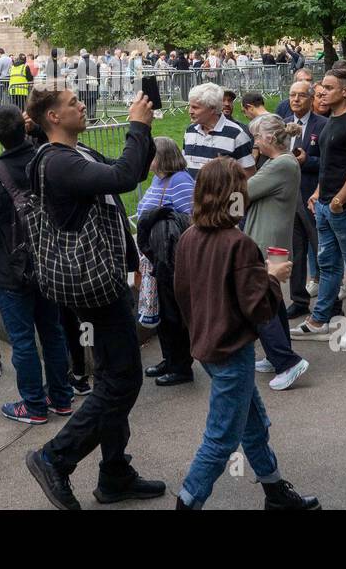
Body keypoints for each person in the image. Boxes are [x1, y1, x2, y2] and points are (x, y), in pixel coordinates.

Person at [22, 87, 165, 510]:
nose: (82, 105)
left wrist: (146, 130)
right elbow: (122, 178)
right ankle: (55, 457)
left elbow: (132, 171)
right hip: (95, 283)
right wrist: (136, 126)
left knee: (111, 377)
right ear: (52, 116)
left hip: (102, 278)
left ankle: (115, 473)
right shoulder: (58, 162)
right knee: (122, 379)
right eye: (72, 103)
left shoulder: (77, 153)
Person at [172, 157, 318, 510]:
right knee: (221, 439)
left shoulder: (189, 236)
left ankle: (274, 490)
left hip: (206, 345)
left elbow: (182, 291)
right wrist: (271, 276)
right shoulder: (239, 243)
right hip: (231, 351)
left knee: (253, 424)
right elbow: (258, 308)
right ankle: (188, 501)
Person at [0, 104, 72, 424]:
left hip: (11, 267)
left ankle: (34, 405)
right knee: (52, 332)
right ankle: (61, 397)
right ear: (26, 129)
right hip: (51, 261)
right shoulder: (48, 159)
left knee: (24, 339)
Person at [291, 69, 346, 349]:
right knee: (328, 265)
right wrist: (317, 193)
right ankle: (319, 321)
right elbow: (330, 165)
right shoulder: (329, 122)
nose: (320, 92)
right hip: (325, 205)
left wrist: (338, 201)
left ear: (345, 91)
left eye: (327, 87)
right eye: (321, 87)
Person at [244, 114, 310, 390]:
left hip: (266, 243)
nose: (255, 142)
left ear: (269, 138)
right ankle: (277, 355)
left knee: (258, 302)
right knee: (271, 299)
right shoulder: (279, 162)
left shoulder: (280, 164)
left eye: (257, 137)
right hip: (273, 241)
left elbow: (244, 191)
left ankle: (287, 362)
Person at [136, 137, 196, 386]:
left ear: (161, 157)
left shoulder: (180, 180)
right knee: (163, 311)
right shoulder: (159, 178)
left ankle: (181, 366)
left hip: (172, 259)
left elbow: (191, 218)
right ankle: (169, 359)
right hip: (156, 257)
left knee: (173, 313)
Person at [280, 80, 327, 317]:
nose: (295, 99)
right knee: (295, 252)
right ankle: (299, 300)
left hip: (313, 197)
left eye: (301, 95)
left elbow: (331, 165)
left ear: (311, 99)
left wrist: (307, 160)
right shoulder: (283, 125)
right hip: (289, 198)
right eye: (292, 94)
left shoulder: (323, 125)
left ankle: (329, 301)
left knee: (322, 250)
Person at [183, 82, 255, 173]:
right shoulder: (190, 131)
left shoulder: (237, 135)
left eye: (195, 107)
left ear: (212, 109)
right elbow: (184, 167)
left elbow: (248, 173)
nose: (190, 111)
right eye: (190, 106)